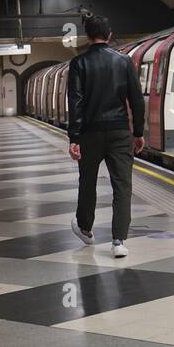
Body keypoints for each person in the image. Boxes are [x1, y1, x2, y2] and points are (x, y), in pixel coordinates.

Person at [67, 13, 146, 257]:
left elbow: (76, 102)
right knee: (122, 185)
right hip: (120, 132)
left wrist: (74, 137)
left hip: (90, 133)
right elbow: (136, 100)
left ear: (88, 37)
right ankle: (119, 241)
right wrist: (138, 133)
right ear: (109, 35)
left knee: (87, 182)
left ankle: (85, 228)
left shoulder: (79, 63)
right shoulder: (124, 62)